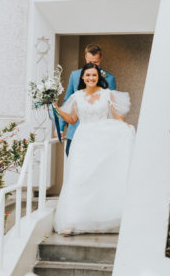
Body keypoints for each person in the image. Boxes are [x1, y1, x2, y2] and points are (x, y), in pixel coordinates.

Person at [53, 62, 134, 234]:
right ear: (82, 77)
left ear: (99, 77)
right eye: (88, 75)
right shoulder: (76, 96)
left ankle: (101, 217)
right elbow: (73, 119)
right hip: (83, 141)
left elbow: (117, 117)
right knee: (78, 178)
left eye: (94, 75)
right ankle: (72, 221)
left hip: (103, 140)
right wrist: (58, 110)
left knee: (100, 178)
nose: (91, 78)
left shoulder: (107, 94)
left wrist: (124, 127)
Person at [61, 44, 116, 157]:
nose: (92, 65)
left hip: (98, 133)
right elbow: (67, 102)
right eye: (89, 61)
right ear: (85, 58)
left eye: (96, 62)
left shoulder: (109, 79)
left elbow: (112, 108)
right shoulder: (75, 75)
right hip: (75, 131)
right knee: (72, 160)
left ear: (101, 59)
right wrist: (60, 128)